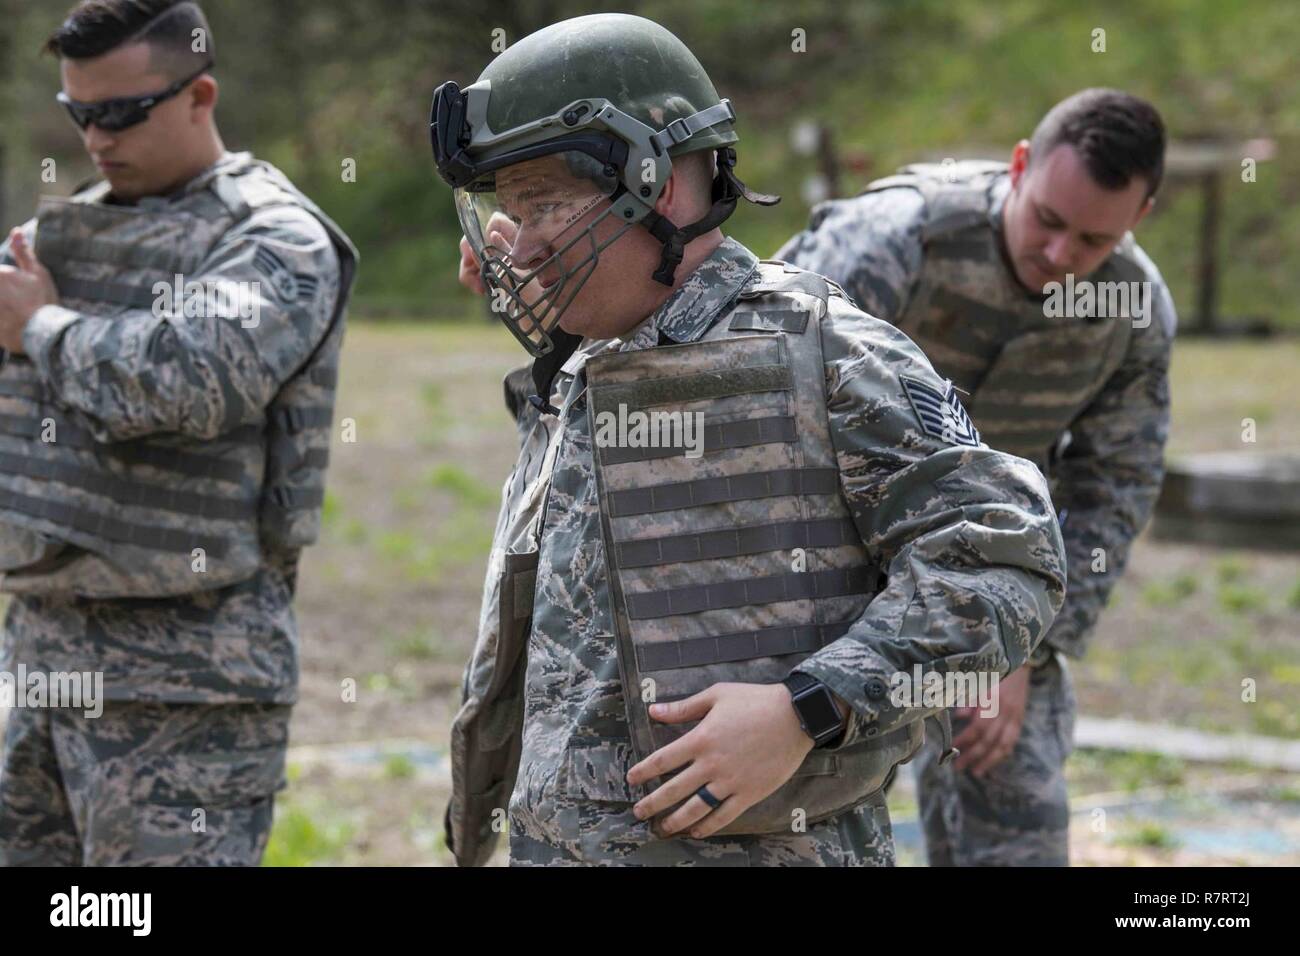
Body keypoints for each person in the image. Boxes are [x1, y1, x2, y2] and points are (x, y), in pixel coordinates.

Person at [440, 12, 1067, 867]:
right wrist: (546, 291)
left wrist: (808, 708)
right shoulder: (590, 355)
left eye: (545, 205)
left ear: (654, 183)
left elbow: (1007, 563)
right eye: (509, 212)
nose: (524, 248)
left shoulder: (829, 354)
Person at [776, 88, 1175, 866]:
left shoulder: (1132, 312)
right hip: (828, 560)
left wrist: (1025, 644)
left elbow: (1112, 488)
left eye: (1094, 240)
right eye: (1049, 222)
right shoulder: (895, 241)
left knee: (1018, 810)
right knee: (794, 815)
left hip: (993, 579)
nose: (1060, 257)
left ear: (1142, 216)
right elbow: (758, 394)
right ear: (1019, 166)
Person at [0, 0, 357, 865]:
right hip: (42, 666)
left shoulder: (275, 238)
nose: (97, 137)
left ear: (201, 95)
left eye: (121, 112)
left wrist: (42, 330)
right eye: (79, 114)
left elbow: (190, 379)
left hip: (190, 689)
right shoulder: (70, 231)